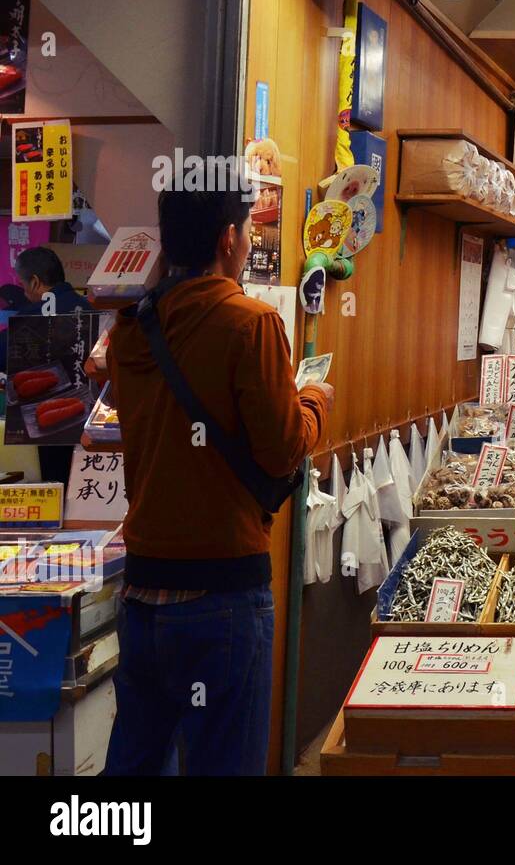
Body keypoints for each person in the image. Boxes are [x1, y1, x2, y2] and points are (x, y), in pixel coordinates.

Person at [103, 187, 332, 776]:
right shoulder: (249, 322)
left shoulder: (132, 329)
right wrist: (313, 401)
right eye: (248, 231)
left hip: (143, 592)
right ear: (228, 239)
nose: (251, 240)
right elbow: (282, 452)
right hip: (221, 596)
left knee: (135, 767)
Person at [0, 247, 95, 485]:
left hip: (47, 437)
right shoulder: (91, 310)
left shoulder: (27, 317)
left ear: (34, 282)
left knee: (54, 484)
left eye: (23, 285)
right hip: (92, 427)